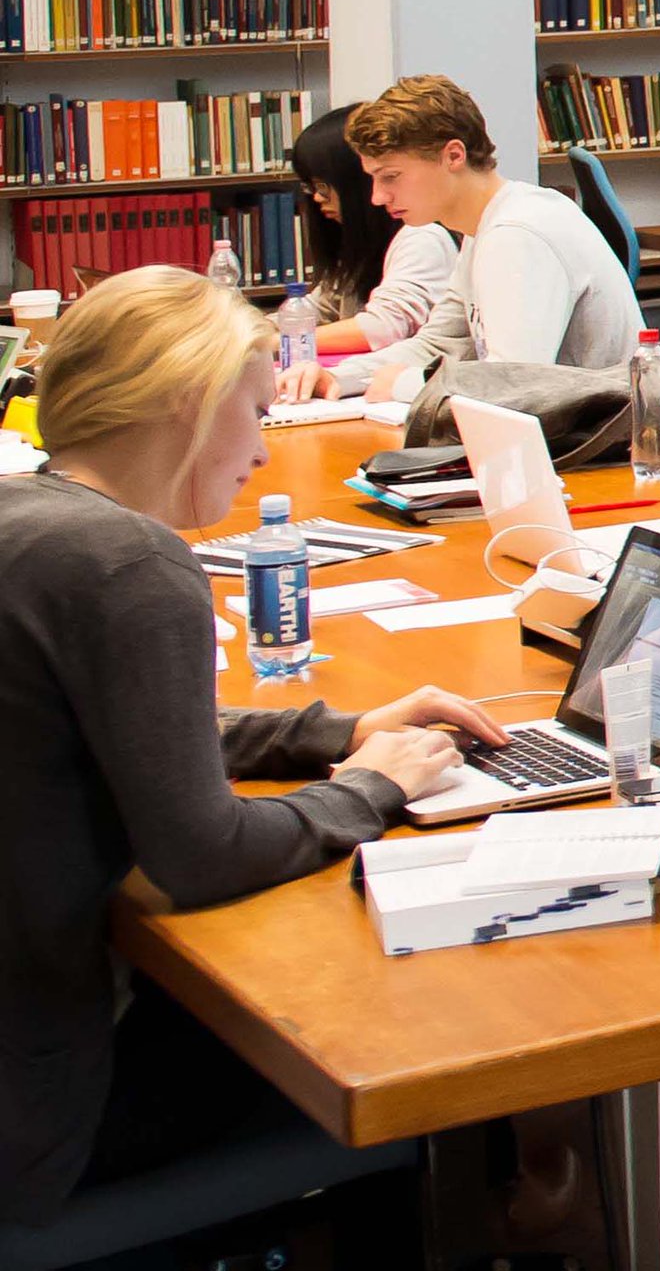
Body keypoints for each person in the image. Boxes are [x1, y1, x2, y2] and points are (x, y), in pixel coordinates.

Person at [0, 266, 506, 1225]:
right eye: (258, 413)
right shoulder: (130, 565)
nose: (264, 456)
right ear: (189, 407)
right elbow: (200, 857)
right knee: (404, 1008)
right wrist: (366, 787)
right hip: (45, 1121)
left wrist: (337, 730)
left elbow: (122, 718)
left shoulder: (27, 521)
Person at [277, 75, 643, 403]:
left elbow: (515, 383)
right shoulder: (481, 230)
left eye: (391, 176)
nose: (376, 197)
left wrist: (406, 384)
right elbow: (437, 345)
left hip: (605, 447)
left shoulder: (517, 232)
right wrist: (337, 376)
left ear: (453, 155)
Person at [289, 104, 458, 360]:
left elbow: (382, 328)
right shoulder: (361, 249)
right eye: (310, 187)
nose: (317, 198)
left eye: (323, 185)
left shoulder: (422, 237)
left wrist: (279, 341)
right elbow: (309, 311)